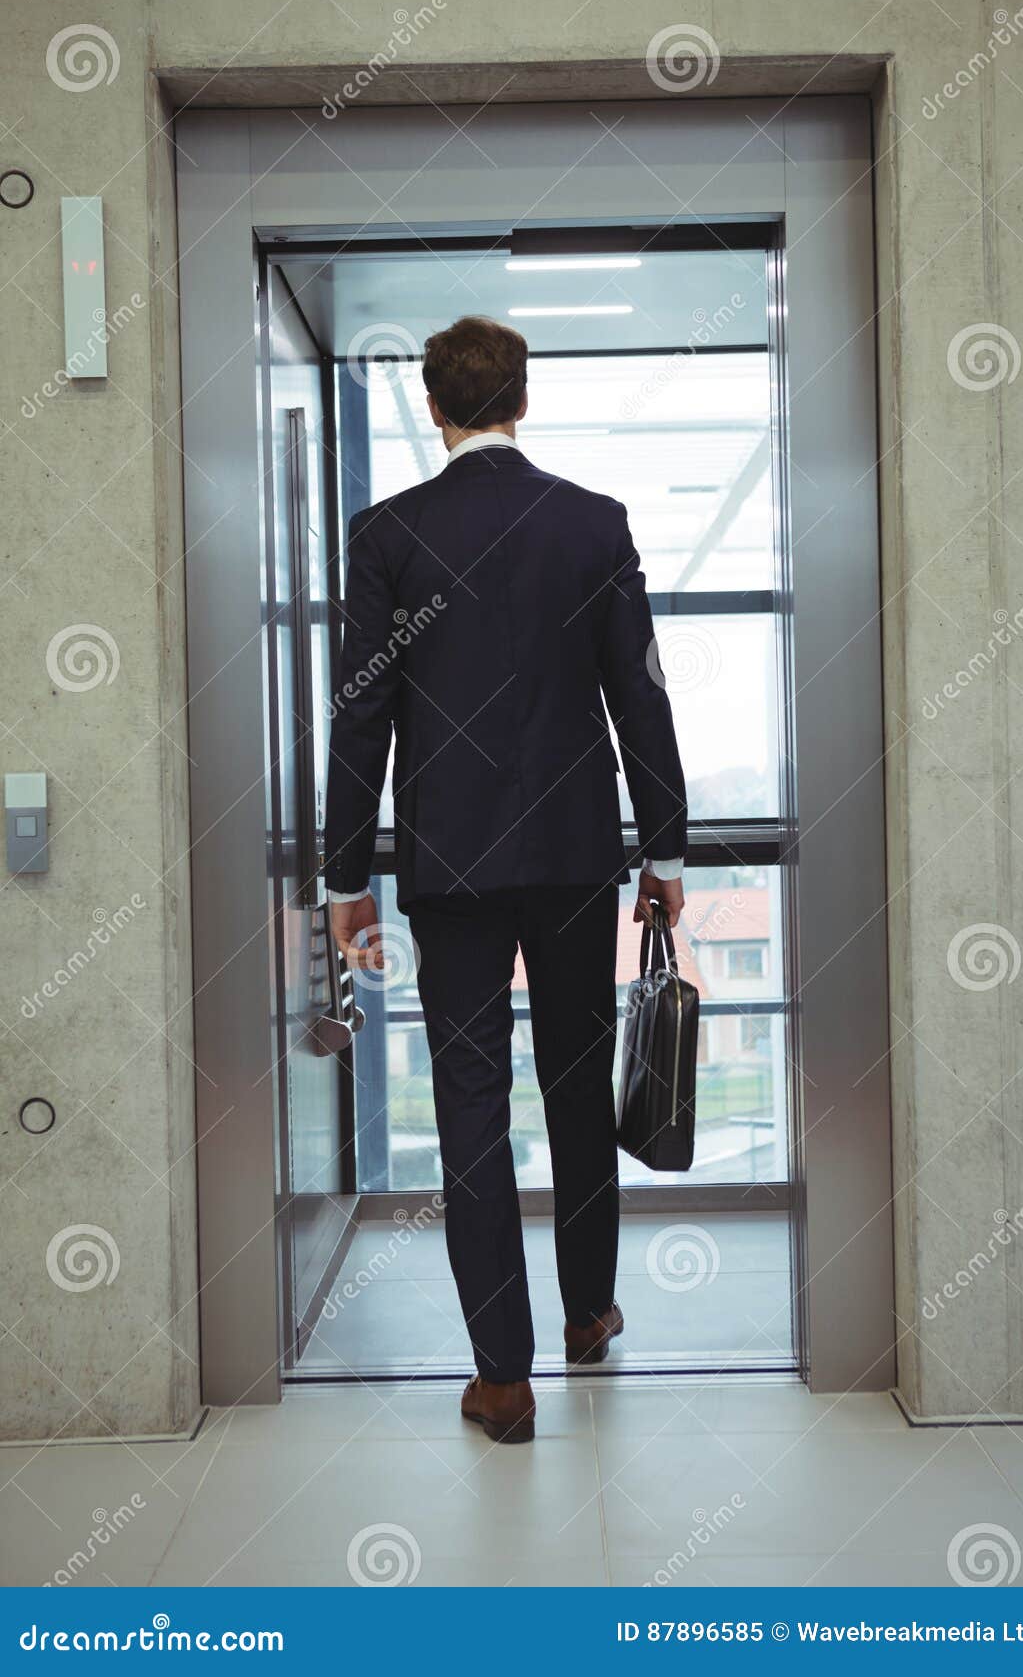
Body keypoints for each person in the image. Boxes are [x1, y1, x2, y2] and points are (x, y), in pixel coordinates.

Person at [324, 316, 686, 1442]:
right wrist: (664, 853)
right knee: (576, 1083)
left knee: (470, 1107)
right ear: (518, 401)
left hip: (451, 867)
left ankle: (502, 1376)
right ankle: (587, 1314)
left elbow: (361, 715)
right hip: (577, 858)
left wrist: (344, 877)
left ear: (436, 408)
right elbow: (639, 697)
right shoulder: (590, 525)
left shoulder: (388, 534)